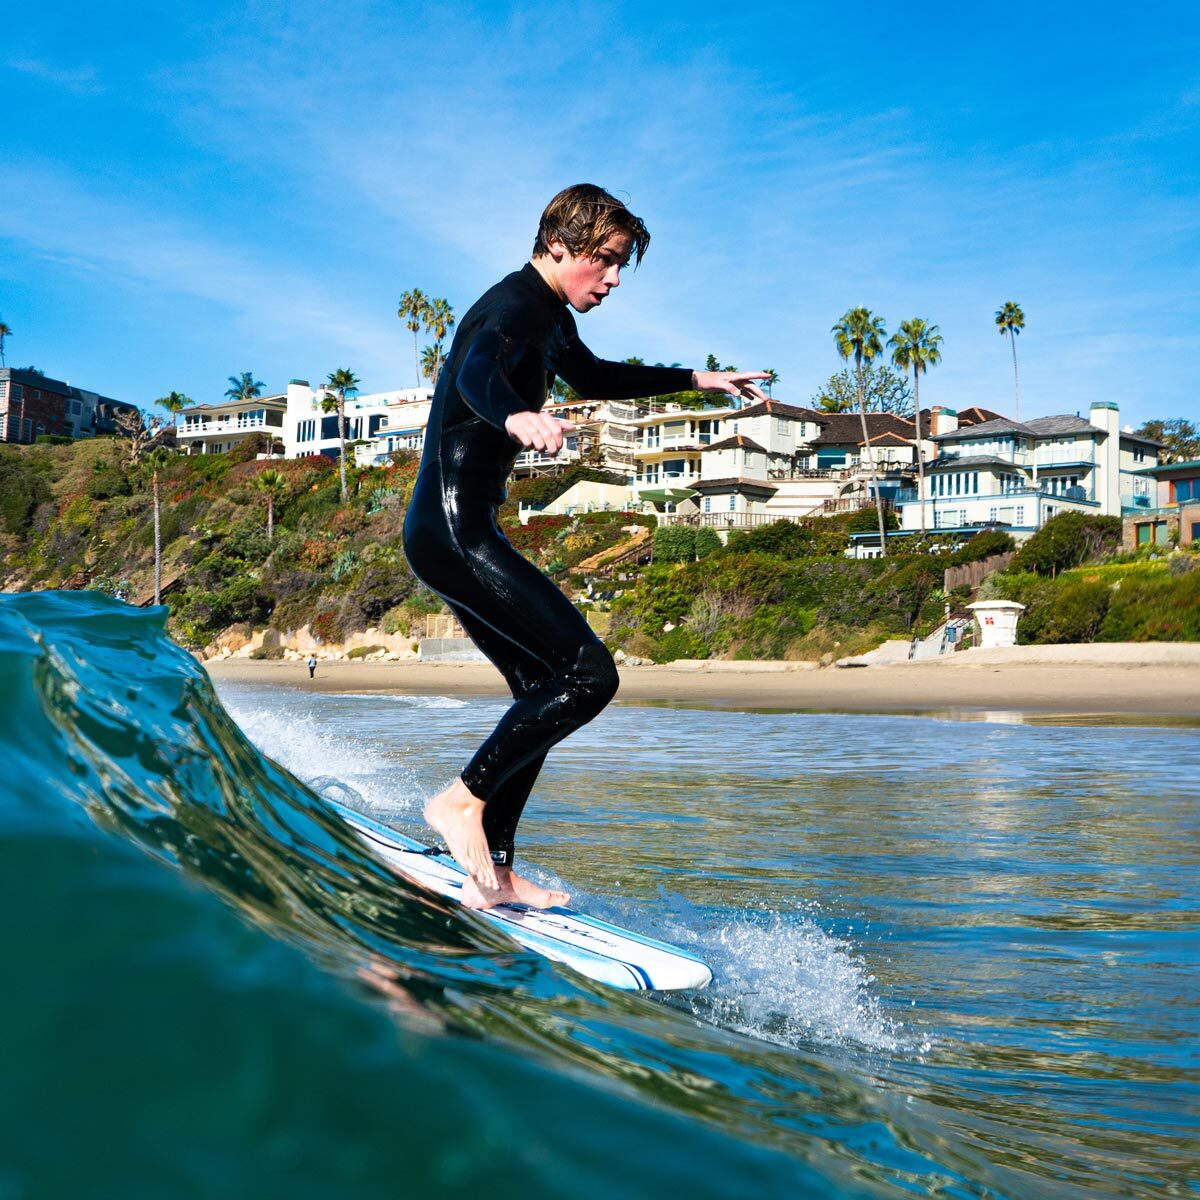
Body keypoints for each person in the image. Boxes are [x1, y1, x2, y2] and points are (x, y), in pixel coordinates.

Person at [403, 183, 767, 910]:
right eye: (604, 260)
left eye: (622, 263)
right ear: (558, 245)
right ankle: (460, 802)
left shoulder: (545, 316)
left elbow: (595, 375)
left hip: (452, 529)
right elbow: (477, 369)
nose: (613, 278)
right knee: (589, 675)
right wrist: (514, 416)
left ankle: (496, 875)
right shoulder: (511, 310)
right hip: (452, 529)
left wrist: (699, 378)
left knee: (544, 689)